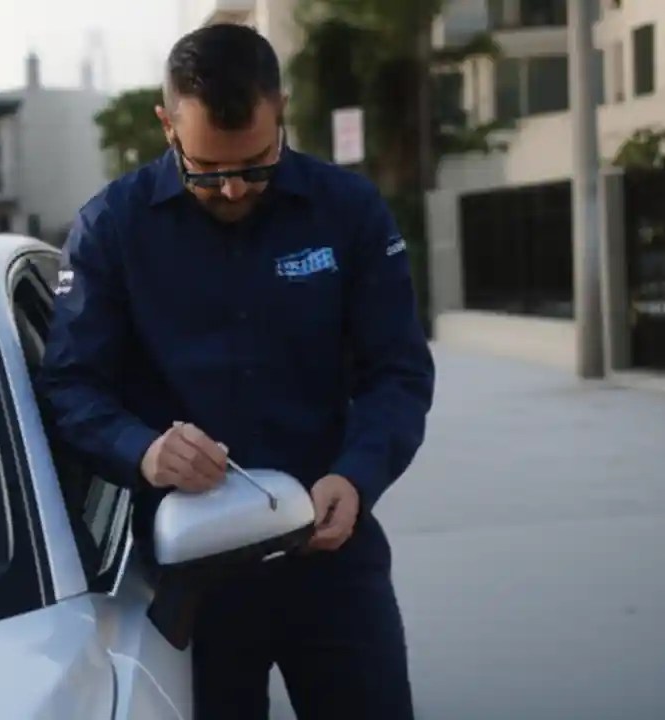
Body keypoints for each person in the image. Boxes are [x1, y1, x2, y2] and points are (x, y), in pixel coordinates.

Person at [37, 22, 436, 720]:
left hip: (331, 554)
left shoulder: (350, 213)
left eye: (254, 165)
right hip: (193, 583)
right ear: (167, 126)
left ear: (281, 110)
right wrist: (147, 451)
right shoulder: (111, 229)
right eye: (207, 171)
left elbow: (398, 371)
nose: (231, 190)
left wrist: (359, 472)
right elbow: (70, 387)